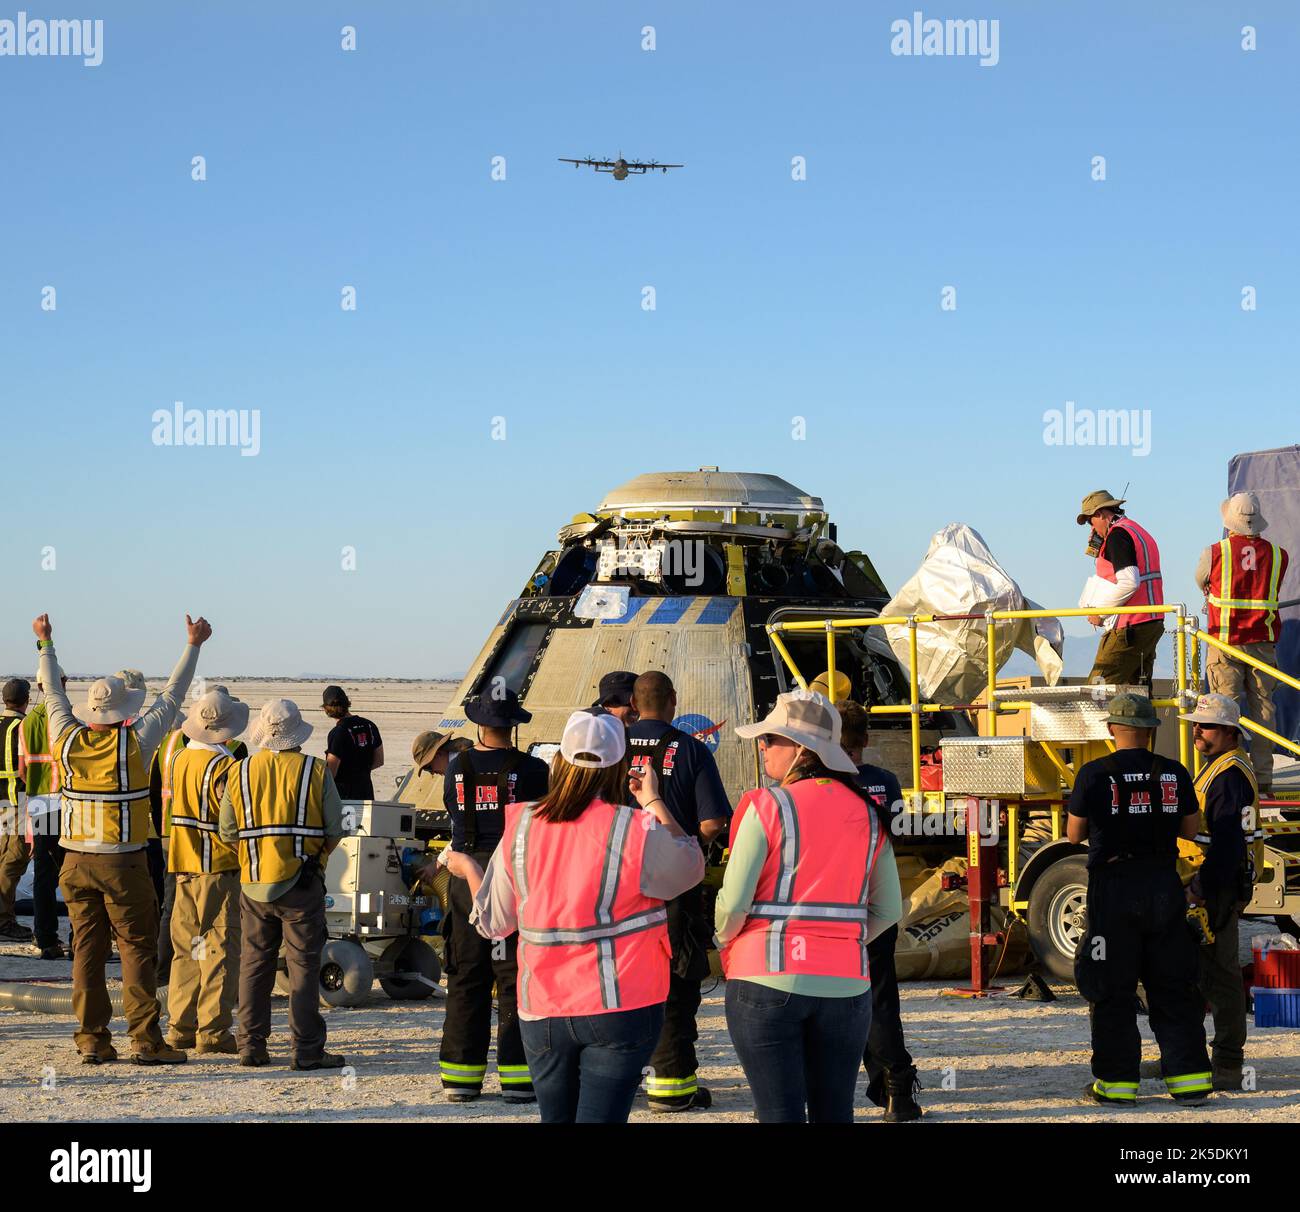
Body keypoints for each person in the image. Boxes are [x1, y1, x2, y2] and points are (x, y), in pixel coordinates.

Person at [450, 710, 704, 1123]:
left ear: (559, 762)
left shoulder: (521, 826)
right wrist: (654, 800)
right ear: (620, 768)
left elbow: (494, 922)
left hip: (543, 1009)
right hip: (620, 1005)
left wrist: (468, 870)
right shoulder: (633, 828)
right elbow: (689, 868)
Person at [718, 690, 901, 1123]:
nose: (762, 747)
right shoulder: (869, 814)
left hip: (763, 980)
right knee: (834, 1113)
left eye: (771, 739)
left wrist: (725, 941)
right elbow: (889, 908)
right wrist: (843, 943)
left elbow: (732, 905)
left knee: (778, 1113)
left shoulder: (766, 806)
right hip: (846, 988)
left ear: (801, 749)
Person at [34, 611, 209, 1064]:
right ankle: (146, 1040)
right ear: (124, 709)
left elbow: (52, 691)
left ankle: (92, 1037)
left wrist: (46, 643)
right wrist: (193, 644)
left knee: (86, 951)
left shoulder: (66, 739)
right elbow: (171, 696)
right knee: (136, 950)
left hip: (74, 862)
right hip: (124, 862)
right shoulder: (135, 744)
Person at [1067, 692, 1212, 1106]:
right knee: (1173, 984)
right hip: (1163, 885)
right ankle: (1190, 1082)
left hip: (1113, 888)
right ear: (1151, 731)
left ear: (1111, 729)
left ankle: (1117, 1085)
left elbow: (1074, 835)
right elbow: (1189, 827)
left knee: (1112, 988)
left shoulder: (1094, 774)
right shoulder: (1173, 772)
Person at [218, 698, 346, 1070]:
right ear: (297, 734)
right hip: (302, 884)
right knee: (303, 966)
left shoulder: (239, 771)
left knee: (254, 964)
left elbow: (228, 831)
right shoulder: (314, 770)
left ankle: (251, 1046)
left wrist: (254, 857)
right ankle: (306, 1049)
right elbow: (336, 829)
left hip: (254, 884)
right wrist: (316, 860)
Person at [625, 670, 731, 1111]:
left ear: (633, 703)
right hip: (675, 888)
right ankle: (670, 1085)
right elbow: (712, 822)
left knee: (622, 977)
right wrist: (689, 847)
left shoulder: (612, 747)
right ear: (672, 701)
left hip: (617, 887)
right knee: (676, 979)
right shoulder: (691, 749)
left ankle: (623, 1078)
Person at [439, 688, 548, 1102]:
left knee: (466, 975)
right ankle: (519, 1080)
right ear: (514, 724)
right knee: (514, 979)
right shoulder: (535, 769)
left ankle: (461, 1080)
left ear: (479, 724)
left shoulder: (456, 768)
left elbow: (454, 812)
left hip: (466, 877)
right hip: (515, 876)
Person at [1164, 693, 1260, 1092]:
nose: (1197, 731)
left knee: (1220, 978)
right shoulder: (1219, 770)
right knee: (1199, 976)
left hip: (1215, 889)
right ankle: (1194, 1057)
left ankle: (1227, 1065)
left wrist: (1198, 892)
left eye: (1205, 725)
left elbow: (1226, 847)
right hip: (1210, 886)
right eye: (1196, 724)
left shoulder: (1228, 776)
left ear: (1229, 732)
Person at [836, 699, 921, 1121]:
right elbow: (902, 835)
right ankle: (896, 1092)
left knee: (830, 1002)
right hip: (878, 903)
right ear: (866, 740)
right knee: (881, 998)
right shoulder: (885, 782)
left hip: (829, 906)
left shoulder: (824, 783)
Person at [164, 688, 250, 1054]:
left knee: (186, 949)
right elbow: (234, 823)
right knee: (218, 950)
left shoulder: (178, 758)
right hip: (218, 869)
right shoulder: (226, 767)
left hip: (181, 867)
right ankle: (213, 1031)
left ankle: (179, 1027)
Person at [1195, 492, 1290, 797]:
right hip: (1263, 641)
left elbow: (1202, 580)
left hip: (1225, 641)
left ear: (1230, 521)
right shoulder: (1279, 554)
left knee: (1224, 712)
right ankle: (1263, 781)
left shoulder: (1215, 552)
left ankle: (1226, 774)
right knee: (1264, 710)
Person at [1076, 490, 1165, 692]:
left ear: (1100, 514)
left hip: (1130, 626)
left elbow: (1128, 582)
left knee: (1096, 692)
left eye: (1091, 521)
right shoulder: (1138, 531)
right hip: (1150, 623)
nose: (1092, 528)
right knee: (1138, 696)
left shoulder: (1118, 535)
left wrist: (1099, 611)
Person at [19, 667, 70, 958]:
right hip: (67, 802)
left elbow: (24, 770)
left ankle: (46, 939)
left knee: (43, 875)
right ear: (60, 682)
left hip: (40, 803)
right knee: (74, 872)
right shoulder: (67, 718)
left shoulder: (28, 723)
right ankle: (79, 938)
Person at [0, 678, 33, 943]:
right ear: (26, 700)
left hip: (2, 805)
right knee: (14, 861)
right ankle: (4, 921)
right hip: (17, 804)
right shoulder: (23, 727)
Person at [322, 685, 384, 800]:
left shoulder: (337, 733)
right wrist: (361, 771)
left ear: (326, 709)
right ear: (347, 703)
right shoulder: (370, 725)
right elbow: (379, 760)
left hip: (344, 799)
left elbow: (331, 772)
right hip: (366, 793)